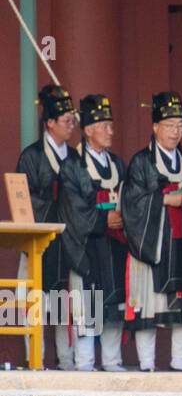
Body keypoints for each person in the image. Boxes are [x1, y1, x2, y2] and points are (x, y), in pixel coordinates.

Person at [121, 92, 182, 371]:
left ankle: (180, 360)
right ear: (155, 127)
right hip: (153, 243)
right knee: (148, 307)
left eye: (180, 125)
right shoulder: (141, 162)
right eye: (169, 125)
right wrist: (164, 199)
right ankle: (147, 363)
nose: (175, 132)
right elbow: (131, 202)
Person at [58, 94, 129, 370]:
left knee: (114, 304)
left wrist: (122, 218)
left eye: (111, 125)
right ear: (88, 130)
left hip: (115, 245)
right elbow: (73, 209)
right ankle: (85, 362)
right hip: (87, 246)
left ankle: (112, 360)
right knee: (87, 304)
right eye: (105, 126)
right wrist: (102, 219)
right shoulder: (72, 166)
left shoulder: (118, 164)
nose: (111, 131)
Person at [16, 84, 78, 368]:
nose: (72, 125)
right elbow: (23, 201)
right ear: (49, 123)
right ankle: (35, 359)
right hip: (40, 240)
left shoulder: (75, 157)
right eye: (66, 121)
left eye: (73, 120)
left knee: (68, 300)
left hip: (70, 239)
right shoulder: (31, 156)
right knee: (35, 300)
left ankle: (67, 359)